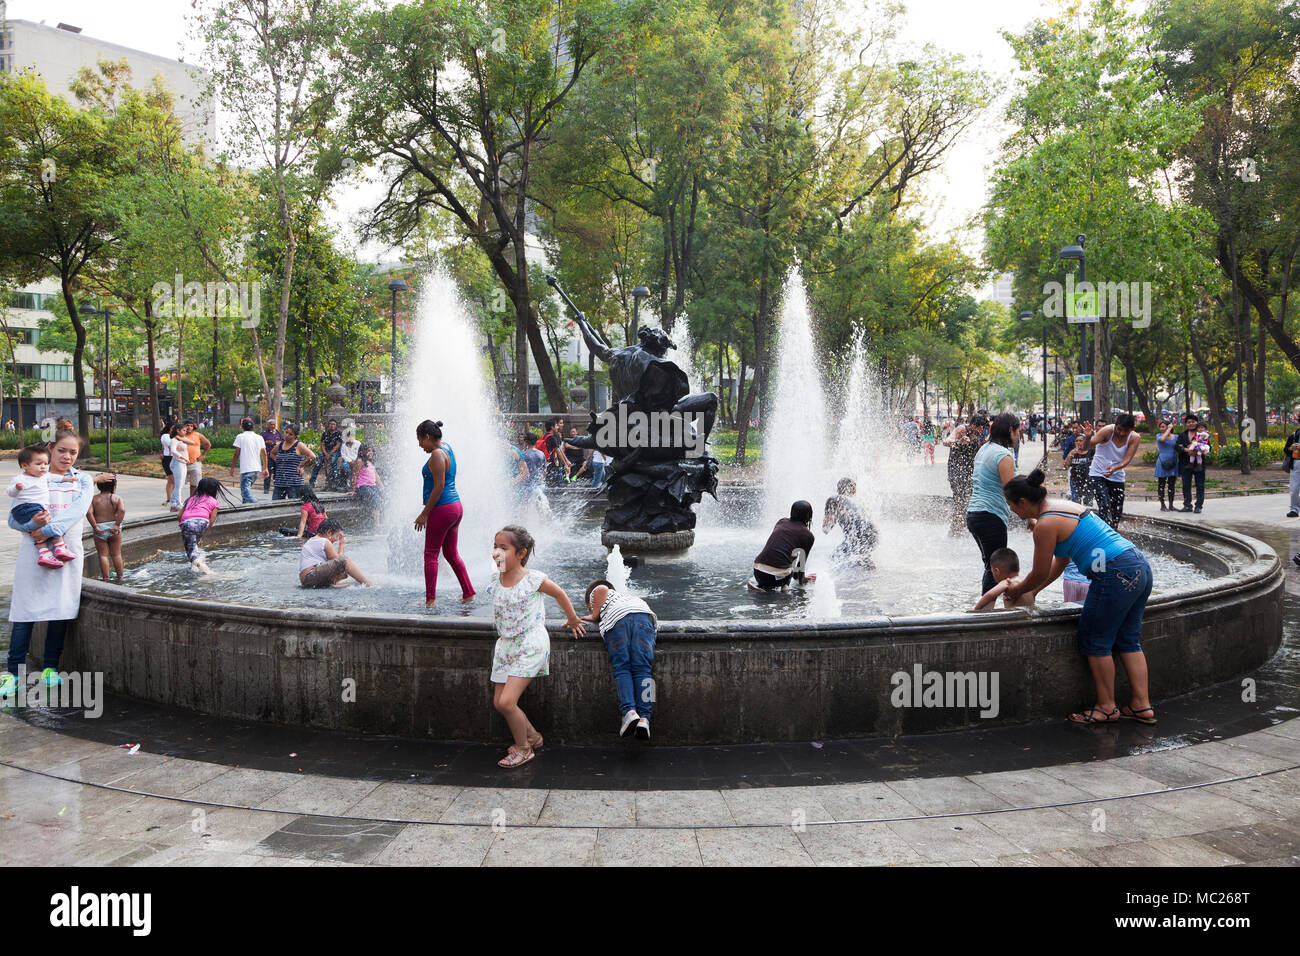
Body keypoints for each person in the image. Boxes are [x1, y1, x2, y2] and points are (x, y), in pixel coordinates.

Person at [1002, 469, 1155, 725]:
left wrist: (1017, 590)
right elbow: (1060, 562)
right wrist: (1035, 590)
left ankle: (1106, 706)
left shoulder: (1045, 525)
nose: (1013, 513)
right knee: (1128, 639)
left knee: (1095, 639)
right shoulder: (1062, 507)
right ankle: (1141, 705)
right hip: (1137, 565)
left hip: (1113, 572)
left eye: (1012, 506)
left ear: (1023, 502)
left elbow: (1038, 571)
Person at [2, 430, 95, 695]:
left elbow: (77, 511)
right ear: (50, 448)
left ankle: (50, 668)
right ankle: (13, 673)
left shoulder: (83, 480)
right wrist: (33, 527)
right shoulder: (30, 477)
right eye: (61, 451)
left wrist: (47, 531)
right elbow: (13, 519)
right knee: (24, 610)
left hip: (67, 550)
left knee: (61, 608)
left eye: (73, 452)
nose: (67, 457)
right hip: (33, 551)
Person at [487, 525, 585, 768]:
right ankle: (532, 736)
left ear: (521, 553)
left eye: (503, 548)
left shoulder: (532, 579)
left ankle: (524, 749)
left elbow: (559, 593)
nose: (496, 552)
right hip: (506, 646)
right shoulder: (496, 577)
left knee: (508, 702)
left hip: (530, 644)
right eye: (495, 546)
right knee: (499, 703)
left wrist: (572, 618)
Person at [581, 579, 657, 739]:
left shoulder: (604, 594)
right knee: (644, 670)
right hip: (646, 617)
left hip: (619, 620)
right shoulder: (628, 598)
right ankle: (645, 718)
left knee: (622, 668)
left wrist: (594, 614)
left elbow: (601, 588)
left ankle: (629, 711)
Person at [413, 419, 475, 606]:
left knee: (430, 554)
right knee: (450, 553)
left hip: (442, 509)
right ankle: (468, 593)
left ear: (428, 437)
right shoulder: (447, 447)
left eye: (420, 440)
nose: (419, 444)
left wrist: (424, 513)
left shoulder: (437, 455)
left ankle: (430, 601)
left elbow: (439, 487)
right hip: (455, 507)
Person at [966, 412, 1020, 594]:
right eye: (1019, 431)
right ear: (1011, 430)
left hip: (974, 515)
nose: (1019, 435)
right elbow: (1011, 491)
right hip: (991, 517)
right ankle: (984, 613)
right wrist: (1030, 516)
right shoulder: (1003, 455)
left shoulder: (985, 448)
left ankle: (987, 611)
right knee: (997, 569)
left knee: (991, 565)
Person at [6, 444, 78, 568]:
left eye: (45, 463)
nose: (44, 467)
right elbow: (9, 492)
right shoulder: (20, 479)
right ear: (25, 466)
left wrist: (68, 479)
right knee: (49, 522)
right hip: (25, 508)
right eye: (39, 464)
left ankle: (44, 553)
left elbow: (56, 478)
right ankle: (59, 546)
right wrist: (16, 489)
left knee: (38, 529)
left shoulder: (45, 476)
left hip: (35, 509)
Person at [1087, 414, 1141, 529]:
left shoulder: (1134, 438)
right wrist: (1088, 437)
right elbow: (1090, 444)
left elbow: (1127, 459)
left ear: (1132, 429)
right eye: (1119, 429)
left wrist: (1115, 468)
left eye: (1125, 431)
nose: (1121, 433)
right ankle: (1103, 536)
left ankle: (1113, 534)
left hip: (1117, 475)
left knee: (1116, 512)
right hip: (1097, 474)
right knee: (1105, 506)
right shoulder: (1107, 431)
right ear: (1115, 425)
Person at [750, 501, 817, 591]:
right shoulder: (808, 536)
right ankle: (784, 588)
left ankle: (763, 586)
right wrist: (803, 580)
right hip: (777, 577)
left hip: (758, 571)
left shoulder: (781, 522)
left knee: (785, 560)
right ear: (809, 516)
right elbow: (799, 568)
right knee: (790, 567)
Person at [299, 519, 373, 588]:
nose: (336, 539)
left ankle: (354, 581)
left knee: (345, 573)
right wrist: (341, 544)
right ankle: (368, 583)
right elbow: (340, 560)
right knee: (346, 560)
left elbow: (336, 563)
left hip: (307, 579)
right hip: (310, 577)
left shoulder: (312, 540)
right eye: (337, 536)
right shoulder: (324, 541)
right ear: (329, 532)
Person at [822, 478, 878, 567]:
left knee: (832, 560)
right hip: (874, 536)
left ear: (838, 489)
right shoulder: (859, 502)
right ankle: (869, 569)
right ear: (854, 490)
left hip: (858, 537)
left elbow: (826, 529)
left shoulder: (833, 499)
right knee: (861, 557)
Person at [943, 414, 984, 536]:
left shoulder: (976, 434)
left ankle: (960, 527)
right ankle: (956, 529)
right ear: (974, 425)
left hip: (969, 471)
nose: (981, 431)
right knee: (960, 498)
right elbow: (947, 441)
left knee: (968, 498)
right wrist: (956, 441)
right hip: (956, 470)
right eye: (981, 428)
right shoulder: (962, 429)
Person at [178, 477, 222, 573]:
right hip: (203, 522)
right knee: (194, 545)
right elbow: (211, 520)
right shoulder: (214, 502)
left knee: (191, 552)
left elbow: (179, 515)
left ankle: (204, 569)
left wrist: (182, 525)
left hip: (187, 523)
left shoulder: (191, 499)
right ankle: (194, 566)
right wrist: (204, 529)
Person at [972, 547, 1037, 611]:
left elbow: (989, 595)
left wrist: (975, 610)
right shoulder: (1026, 584)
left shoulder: (1008, 582)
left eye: (992, 572)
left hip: (1016, 620)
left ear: (997, 572)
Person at [89, 473, 125, 582]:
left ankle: (106, 578)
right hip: (113, 528)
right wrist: (117, 525)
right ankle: (120, 576)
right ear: (114, 486)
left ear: (98, 486)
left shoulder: (94, 499)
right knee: (116, 554)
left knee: (103, 555)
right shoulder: (116, 498)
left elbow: (89, 513)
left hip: (100, 529)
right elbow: (122, 511)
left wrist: (95, 527)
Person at [230, 417, 269, 504]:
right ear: (253, 427)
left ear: (242, 427)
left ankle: (259, 506)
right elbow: (264, 454)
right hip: (256, 469)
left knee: (245, 493)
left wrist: (232, 467)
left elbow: (236, 454)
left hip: (246, 469)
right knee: (246, 492)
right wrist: (265, 468)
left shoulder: (240, 437)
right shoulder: (259, 437)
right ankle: (245, 512)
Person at [271, 426, 315, 500]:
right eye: (286, 433)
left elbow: (312, 456)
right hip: (279, 482)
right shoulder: (280, 445)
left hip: (294, 483)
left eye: (290, 434)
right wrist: (279, 461)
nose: (287, 435)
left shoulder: (299, 445)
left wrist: (300, 466)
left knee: (294, 506)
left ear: (295, 436)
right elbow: (272, 453)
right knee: (275, 505)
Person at [1174, 413, 1206, 513]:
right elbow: (1177, 447)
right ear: (1186, 424)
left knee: (1200, 485)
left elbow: (1207, 446)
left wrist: (1197, 451)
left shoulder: (1202, 435)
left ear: (1197, 423)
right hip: (1185, 463)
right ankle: (1187, 505)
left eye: (1193, 422)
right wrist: (1187, 450)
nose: (1191, 424)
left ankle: (1199, 506)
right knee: (1186, 485)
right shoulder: (1182, 435)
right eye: (1188, 422)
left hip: (1199, 464)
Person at [1065, 420, 1095, 506]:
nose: (1079, 442)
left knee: (1088, 504)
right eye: (1077, 441)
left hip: (1088, 480)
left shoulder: (1091, 452)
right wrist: (1070, 455)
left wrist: (1090, 436)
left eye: (1081, 440)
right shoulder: (1073, 452)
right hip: (1075, 480)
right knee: (1076, 503)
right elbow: (1066, 465)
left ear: (1085, 442)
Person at [1154, 416, 1179, 511]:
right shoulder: (1159, 436)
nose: (1161, 429)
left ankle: (1171, 505)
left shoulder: (1176, 437)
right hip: (1162, 462)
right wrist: (1168, 429)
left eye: (1163, 426)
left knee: (1172, 484)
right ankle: (1162, 505)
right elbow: (1163, 439)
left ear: (1169, 427)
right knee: (1161, 484)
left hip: (1173, 461)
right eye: (1160, 427)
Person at [181, 420, 212, 497]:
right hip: (182, 463)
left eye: (191, 426)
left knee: (195, 484)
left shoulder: (198, 435)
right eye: (187, 425)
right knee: (179, 484)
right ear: (184, 426)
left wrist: (203, 455)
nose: (189, 427)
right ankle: (177, 501)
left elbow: (208, 444)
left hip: (195, 463)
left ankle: (193, 500)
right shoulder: (180, 435)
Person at [310, 419, 343, 489]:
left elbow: (338, 445)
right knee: (318, 464)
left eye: (333, 424)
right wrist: (325, 453)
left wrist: (330, 454)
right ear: (328, 425)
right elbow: (322, 444)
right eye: (331, 424)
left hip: (335, 451)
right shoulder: (325, 433)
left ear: (336, 425)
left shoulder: (339, 433)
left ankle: (334, 483)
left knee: (333, 462)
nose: (332, 425)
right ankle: (312, 482)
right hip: (326, 451)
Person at [352, 442, 385, 512]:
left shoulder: (370, 462)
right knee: (376, 499)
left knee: (385, 497)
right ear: (363, 451)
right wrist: (353, 490)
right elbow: (355, 475)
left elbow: (377, 477)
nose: (371, 453)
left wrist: (382, 488)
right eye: (369, 450)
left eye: (372, 451)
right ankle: (377, 523)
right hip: (362, 486)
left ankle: (387, 521)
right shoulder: (360, 461)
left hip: (372, 486)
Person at [260, 420, 282, 494]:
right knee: (268, 472)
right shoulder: (264, 433)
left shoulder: (278, 433)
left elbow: (283, 441)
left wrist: (278, 443)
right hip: (268, 456)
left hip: (277, 456)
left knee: (277, 473)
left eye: (274, 424)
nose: (272, 426)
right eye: (271, 424)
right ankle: (266, 489)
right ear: (268, 425)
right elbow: (259, 442)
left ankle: (277, 488)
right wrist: (266, 442)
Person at [1284, 418, 1300, 518]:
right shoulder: (1294, 435)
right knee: (1294, 489)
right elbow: (1285, 449)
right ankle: (1294, 509)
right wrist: (1291, 448)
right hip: (1296, 463)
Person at [160, 421, 175, 506]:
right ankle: (171, 499)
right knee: (173, 480)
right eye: (172, 428)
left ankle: (169, 499)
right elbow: (170, 444)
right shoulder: (165, 436)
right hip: (168, 459)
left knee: (170, 481)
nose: (174, 430)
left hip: (174, 458)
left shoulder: (174, 437)